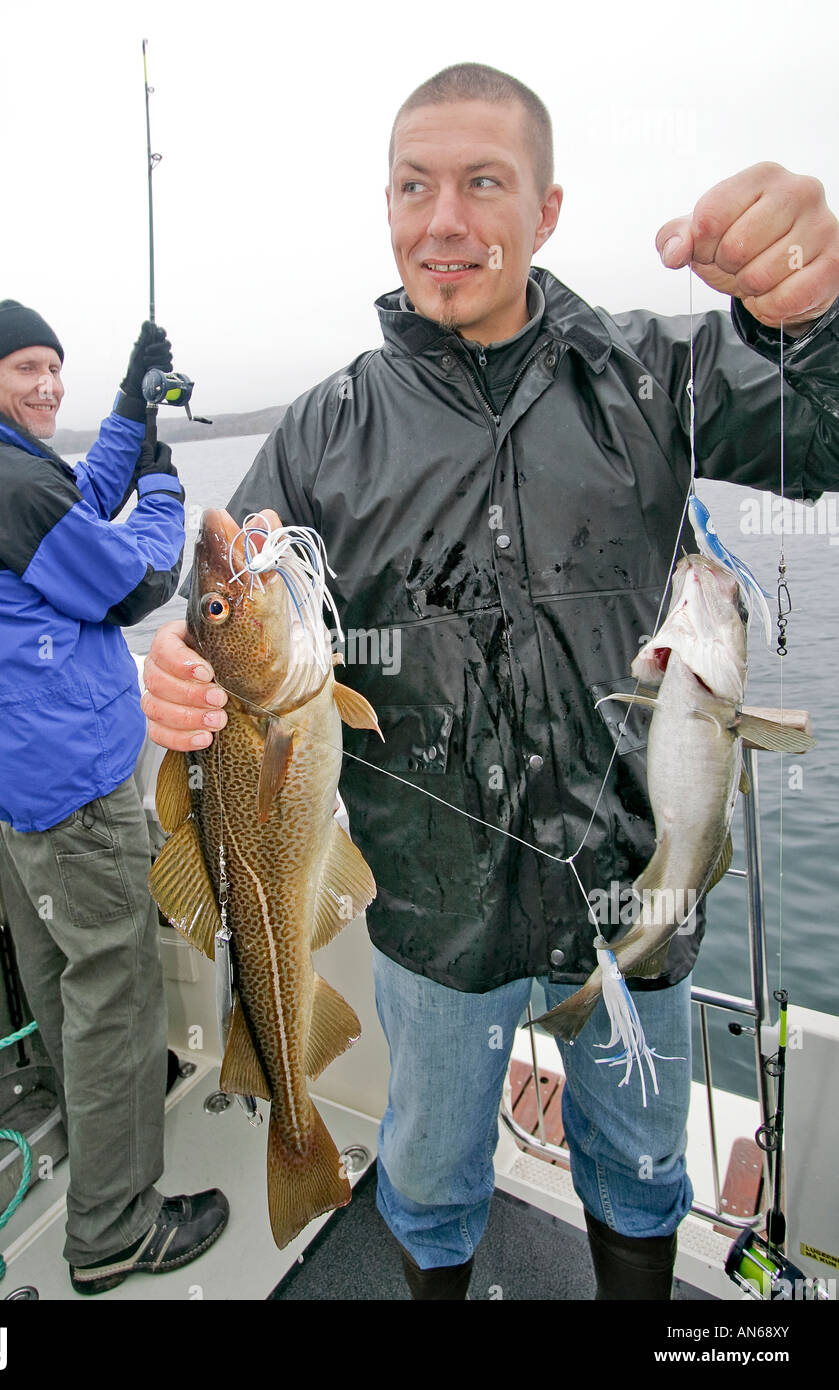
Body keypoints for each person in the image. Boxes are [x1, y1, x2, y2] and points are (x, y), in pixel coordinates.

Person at [141, 64, 839, 1299]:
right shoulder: (318, 434)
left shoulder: (651, 378)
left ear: (548, 209)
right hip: (427, 922)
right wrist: (179, 673)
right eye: (413, 186)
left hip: (633, 904)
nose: (443, 218)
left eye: (481, 182)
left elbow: (819, 423)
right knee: (427, 1177)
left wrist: (814, 316)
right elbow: (223, 630)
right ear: (387, 206)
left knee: (636, 1170)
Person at [0, 301, 229, 1294]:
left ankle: (98, 1116)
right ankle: (114, 1231)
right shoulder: (3, 482)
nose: (46, 385)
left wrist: (133, 409)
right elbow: (133, 578)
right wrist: (167, 480)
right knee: (117, 996)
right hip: (74, 792)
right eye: (24, 370)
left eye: (54, 366)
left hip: (15, 785)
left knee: (63, 982)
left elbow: (70, 503)